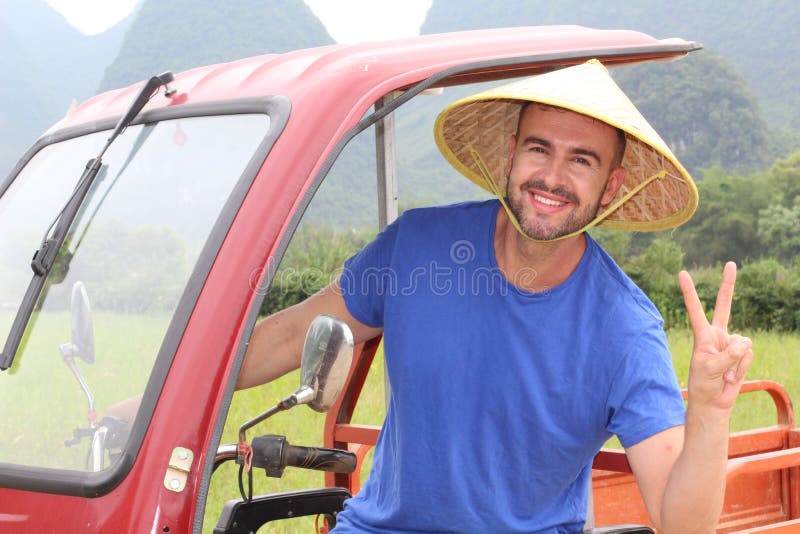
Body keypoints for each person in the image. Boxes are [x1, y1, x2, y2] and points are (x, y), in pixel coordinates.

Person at [237, 60, 753, 533]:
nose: (552, 177)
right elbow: (290, 333)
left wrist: (708, 413)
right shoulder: (417, 246)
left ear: (611, 186)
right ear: (511, 155)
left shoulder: (623, 326)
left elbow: (681, 522)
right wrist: (167, 394)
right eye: (538, 149)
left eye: (581, 160)